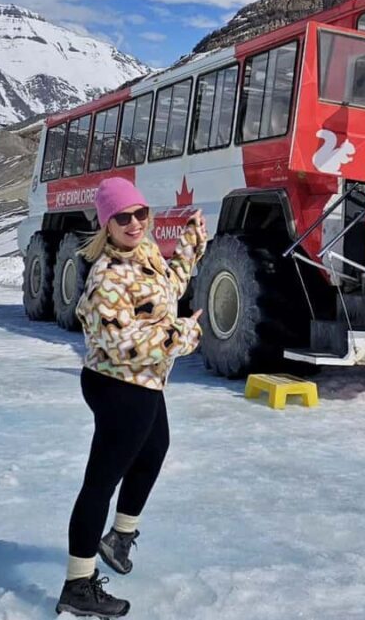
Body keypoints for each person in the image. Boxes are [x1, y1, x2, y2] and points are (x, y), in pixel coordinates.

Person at [56, 177, 207, 618]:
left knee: (154, 449)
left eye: (140, 213)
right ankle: (77, 585)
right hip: (119, 384)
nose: (135, 223)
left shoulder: (143, 255)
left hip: (144, 381)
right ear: (107, 224)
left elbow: (168, 289)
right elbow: (125, 343)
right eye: (123, 217)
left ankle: (119, 538)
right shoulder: (107, 277)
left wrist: (190, 245)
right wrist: (184, 334)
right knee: (100, 482)